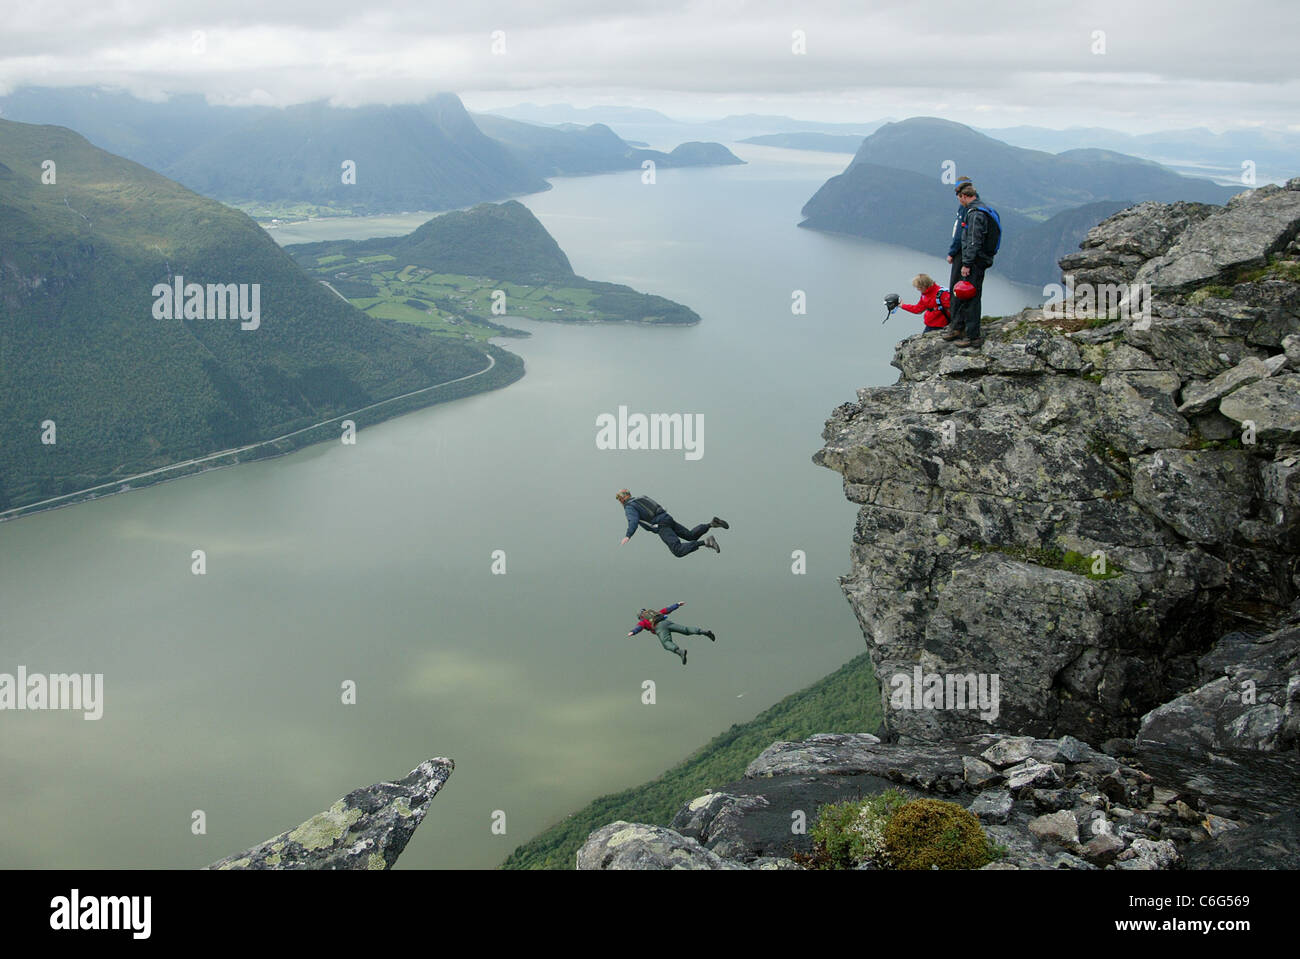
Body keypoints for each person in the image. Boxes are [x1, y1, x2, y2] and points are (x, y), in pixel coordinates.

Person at [946, 182, 1000, 349]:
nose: (960, 202)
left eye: (960, 198)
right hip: (980, 260)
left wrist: (967, 263)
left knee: (970, 298)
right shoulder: (983, 209)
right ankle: (966, 331)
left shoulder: (975, 214)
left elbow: (973, 241)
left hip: (975, 262)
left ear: (964, 196)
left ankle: (972, 337)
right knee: (970, 297)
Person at [616, 489, 726, 557]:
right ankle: (712, 524)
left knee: (677, 550)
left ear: (622, 500)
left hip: (661, 525)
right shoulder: (641, 498)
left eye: (619, 499)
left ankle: (706, 542)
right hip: (667, 518)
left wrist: (628, 535)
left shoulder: (629, 507)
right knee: (690, 535)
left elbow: (633, 521)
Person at [628, 601, 715, 666]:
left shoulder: (643, 621)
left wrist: (633, 632)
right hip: (667, 623)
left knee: (666, 643)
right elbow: (667, 610)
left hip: (660, 628)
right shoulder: (656, 614)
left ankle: (680, 652)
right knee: (686, 630)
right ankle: (704, 632)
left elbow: (638, 627)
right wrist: (677, 604)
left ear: (640, 617)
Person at [944, 176, 972, 338]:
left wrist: (952, 252)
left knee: (957, 288)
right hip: (967, 254)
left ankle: (956, 326)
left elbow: (960, 234)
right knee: (966, 288)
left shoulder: (965, 208)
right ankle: (961, 324)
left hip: (962, 254)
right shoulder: (976, 207)